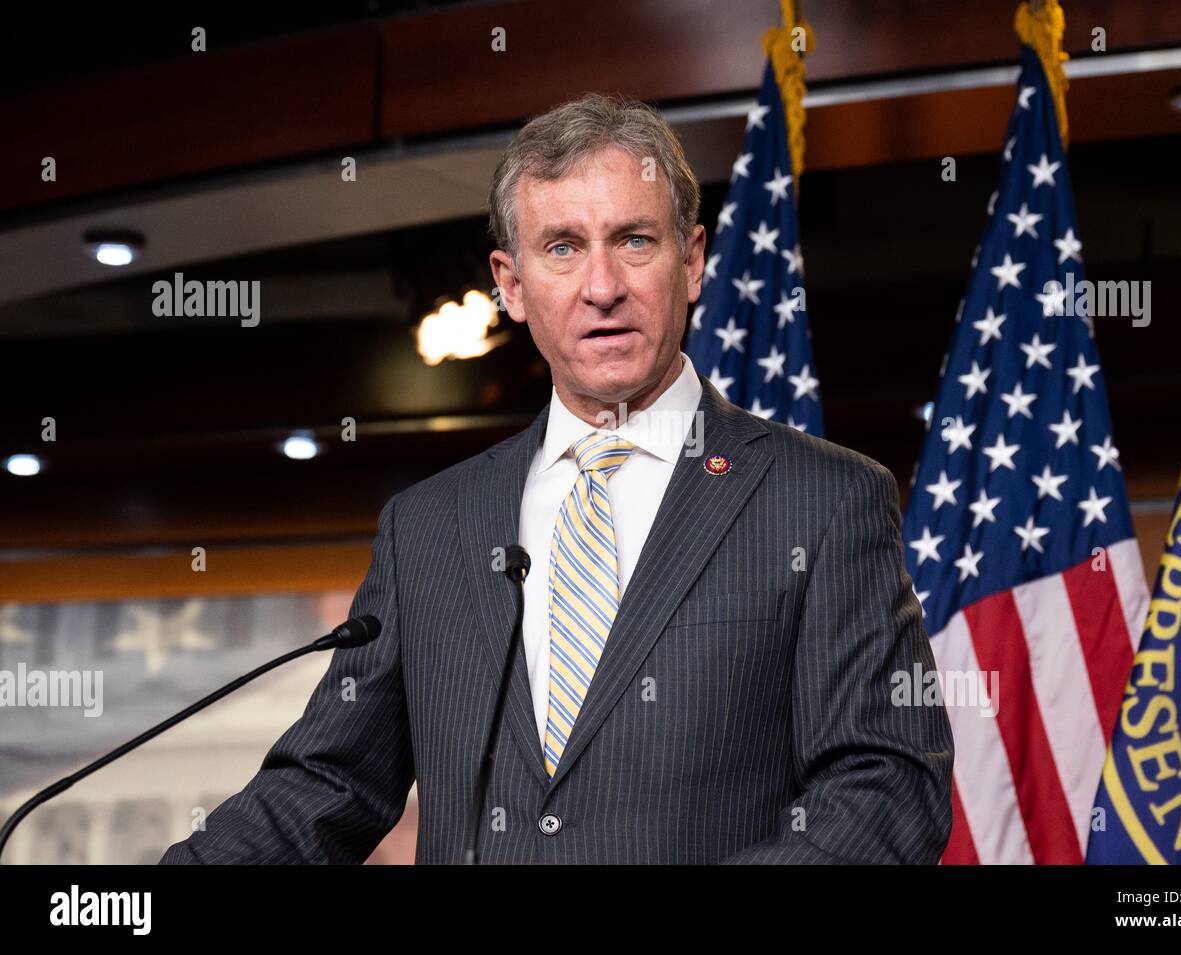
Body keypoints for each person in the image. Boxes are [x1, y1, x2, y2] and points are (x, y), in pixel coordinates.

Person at [160, 93, 953, 864]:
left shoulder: (822, 501)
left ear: (694, 260)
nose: (601, 286)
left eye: (635, 241)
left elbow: (888, 788)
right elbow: (327, 784)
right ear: (510, 284)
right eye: (563, 247)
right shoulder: (428, 527)